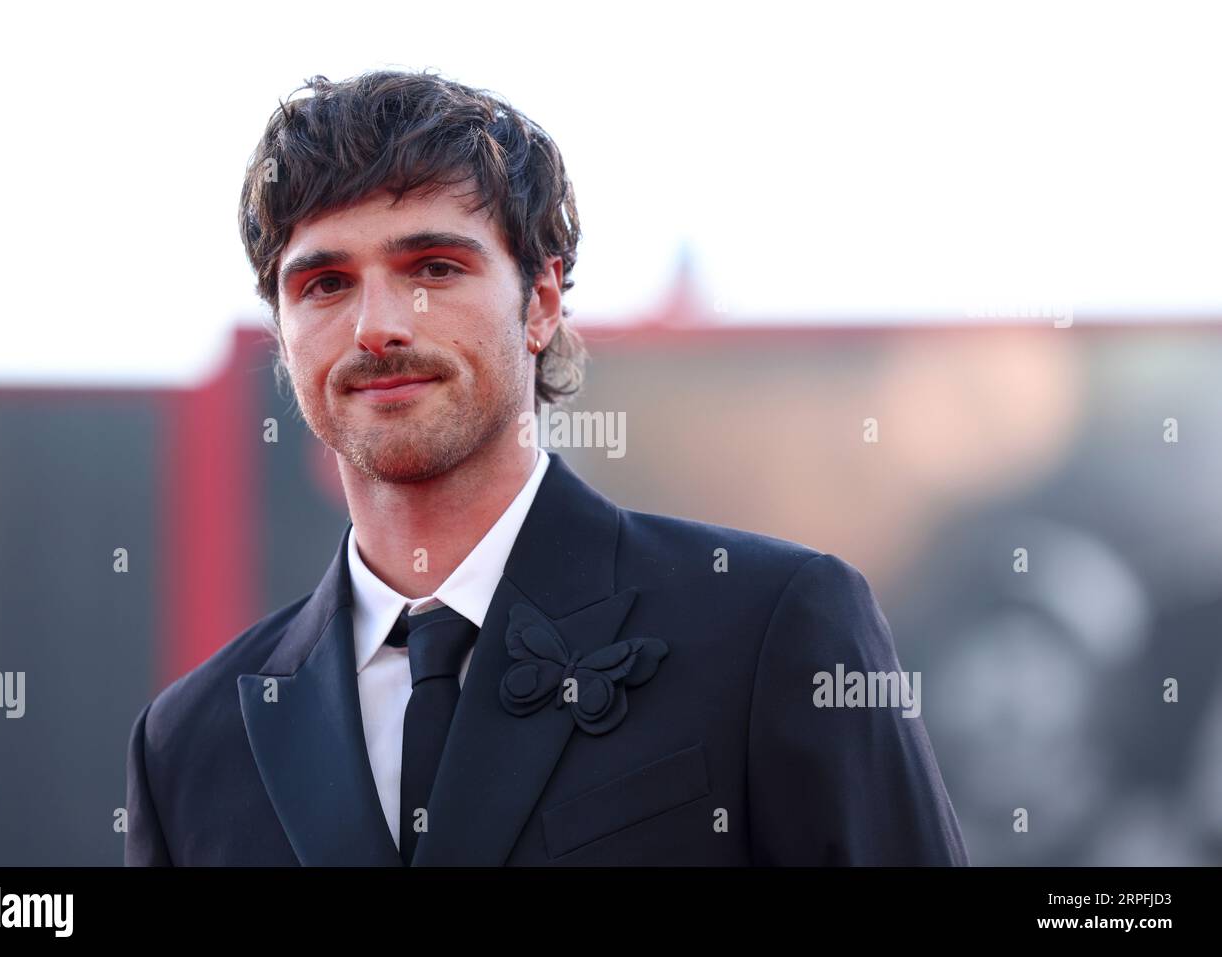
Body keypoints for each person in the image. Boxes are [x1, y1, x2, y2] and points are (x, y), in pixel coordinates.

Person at [124, 69, 968, 866]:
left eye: (434, 268)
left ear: (542, 303)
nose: (378, 325)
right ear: (282, 331)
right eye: (325, 284)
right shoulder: (188, 744)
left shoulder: (772, 628)